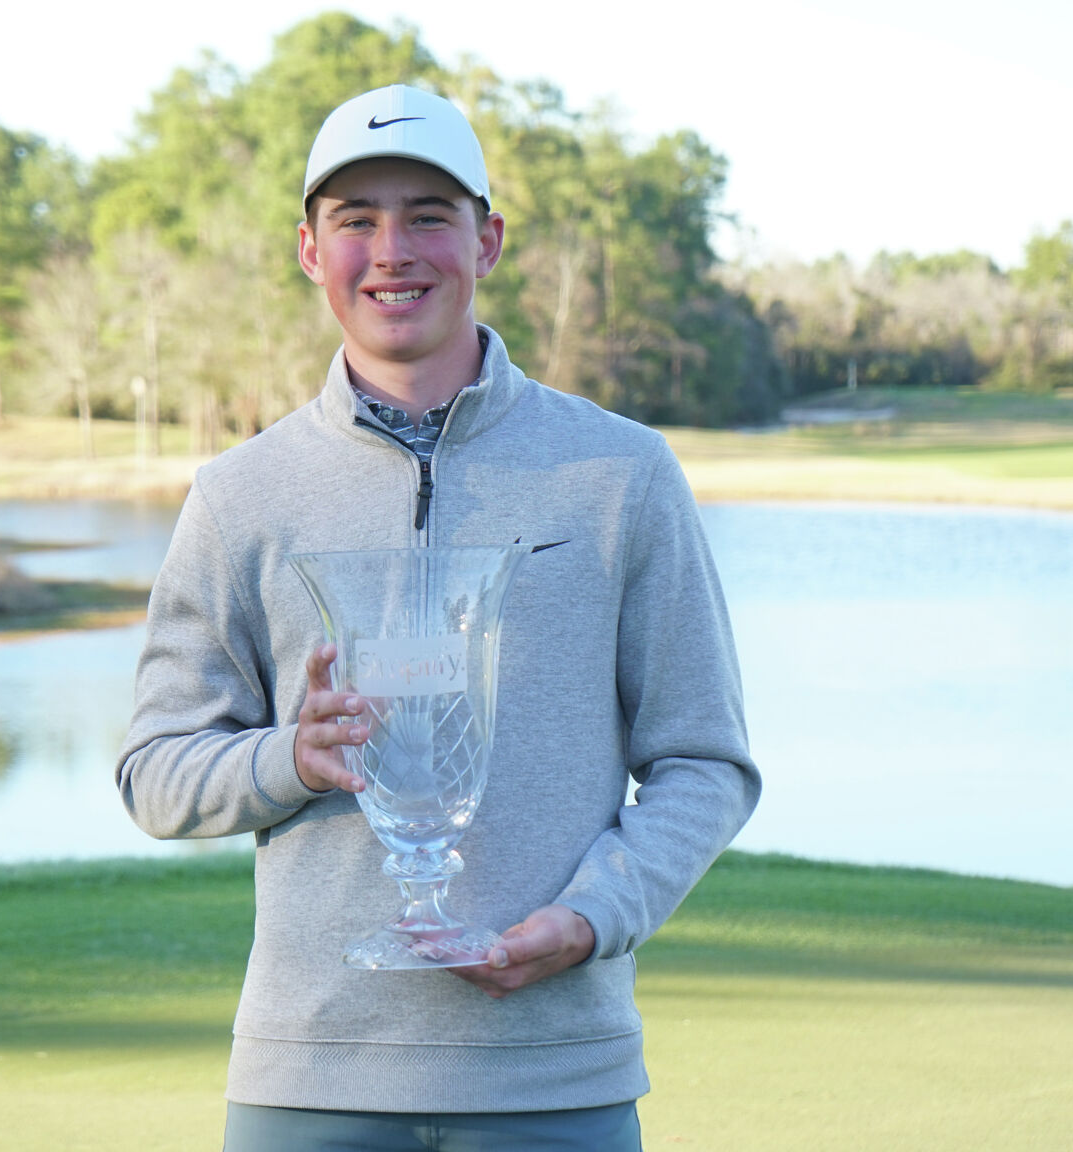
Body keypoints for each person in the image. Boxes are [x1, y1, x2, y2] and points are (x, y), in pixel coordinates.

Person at [116, 83, 760, 1151]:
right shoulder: (241, 494)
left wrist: (595, 916)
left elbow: (704, 762)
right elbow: (154, 772)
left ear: (488, 239)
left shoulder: (619, 473)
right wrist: (292, 759)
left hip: (554, 1080)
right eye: (355, 220)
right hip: (308, 1081)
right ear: (308, 252)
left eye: (426, 214)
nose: (390, 250)